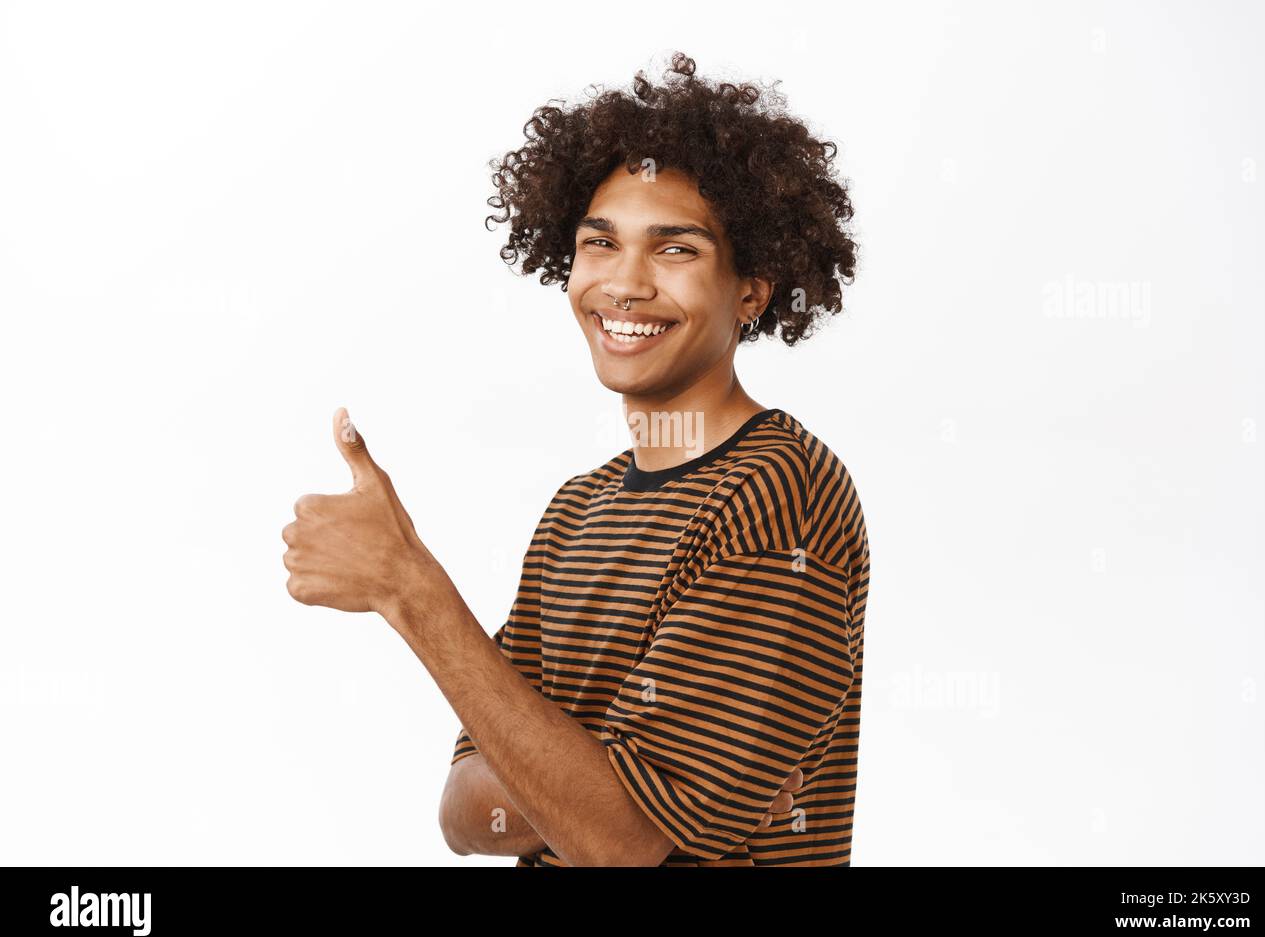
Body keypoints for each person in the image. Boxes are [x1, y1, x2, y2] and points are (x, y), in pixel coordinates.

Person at [282, 52, 867, 866]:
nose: (624, 285)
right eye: (600, 243)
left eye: (675, 250)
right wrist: (599, 775)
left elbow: (620, 840)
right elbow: (462, 816)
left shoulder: (777, 495)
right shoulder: (575, 513)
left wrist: (407, 586)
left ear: (751, 292)